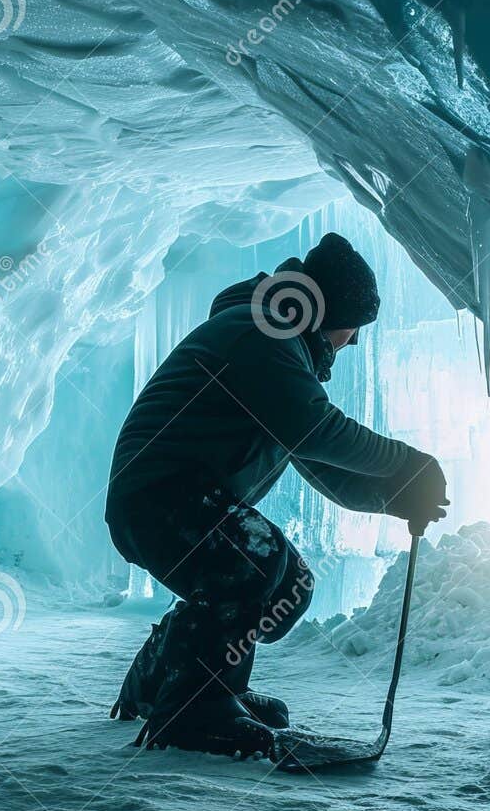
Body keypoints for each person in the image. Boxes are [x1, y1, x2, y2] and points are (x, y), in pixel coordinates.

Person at [104, 232, 448, 758]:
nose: (353, 341)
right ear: (329, 309)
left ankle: (177, 678)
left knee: (289, 584)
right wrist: (411, 463)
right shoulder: (261, 333)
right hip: (157, 497)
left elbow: (318, 463)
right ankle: (193, 710)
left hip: (174, 501)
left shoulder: (274, 343)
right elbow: (316, 430)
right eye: (353, 323)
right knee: (251, 564)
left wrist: (394, 497)